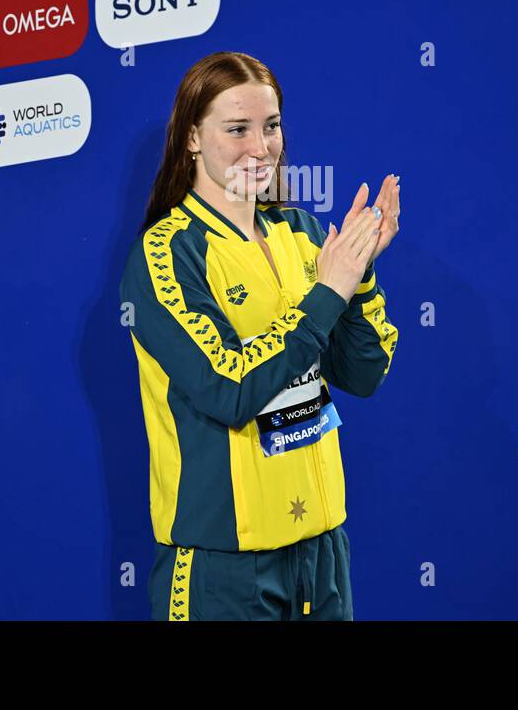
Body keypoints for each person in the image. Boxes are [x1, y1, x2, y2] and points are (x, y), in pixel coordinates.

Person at [119, 51, 400, 620]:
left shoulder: (303, 232)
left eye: (270, 127)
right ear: (192, 137)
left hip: (320, 551)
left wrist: (359, 272)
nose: (260, 148)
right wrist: (327, 293)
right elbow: (229, 388)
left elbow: (365, 374)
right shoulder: (168, 252)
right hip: (223, 565)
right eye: (237, 129)